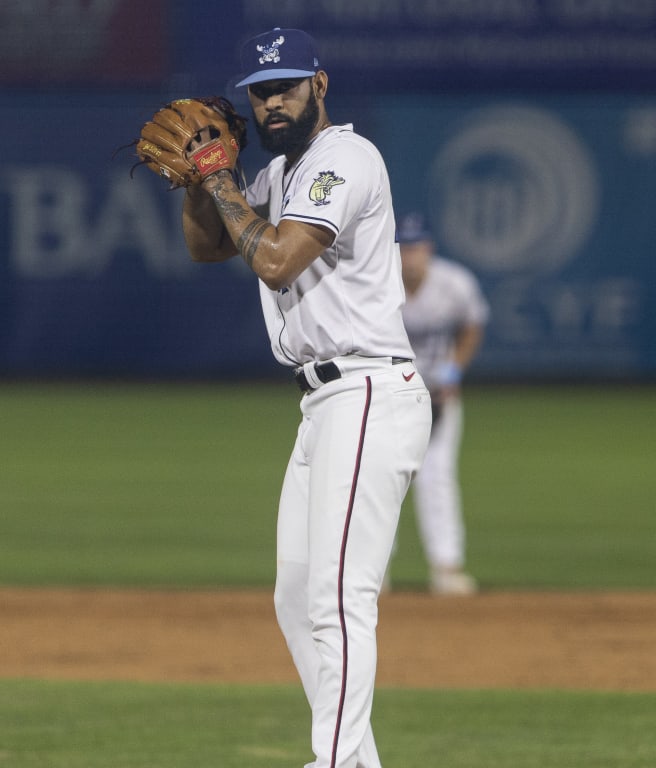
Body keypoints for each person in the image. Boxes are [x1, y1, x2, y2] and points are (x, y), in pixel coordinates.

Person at [180, 27, 430, 768]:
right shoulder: (282, 175)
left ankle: (332, 763)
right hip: (324, 406)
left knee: (339, 599)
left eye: (286, 85)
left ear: (319, 84)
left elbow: (278, 259)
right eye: (261, 91)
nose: (273, 101)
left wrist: (222, 179)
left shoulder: (343, 159)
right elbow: (208, 244)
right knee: (296, 597)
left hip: (369, 392)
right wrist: (199, 182)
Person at [395, 212, 489, 596]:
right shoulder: (375, 283)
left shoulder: (455, 283)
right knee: (381, 484)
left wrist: (453, 374)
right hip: (391, 399)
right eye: (403, 247)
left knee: (437, 478)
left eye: (416, 247)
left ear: (429, 249)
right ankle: (371, 574)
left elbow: (472, 325)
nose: (410, 256)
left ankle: (446, 567)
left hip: (437, 395)